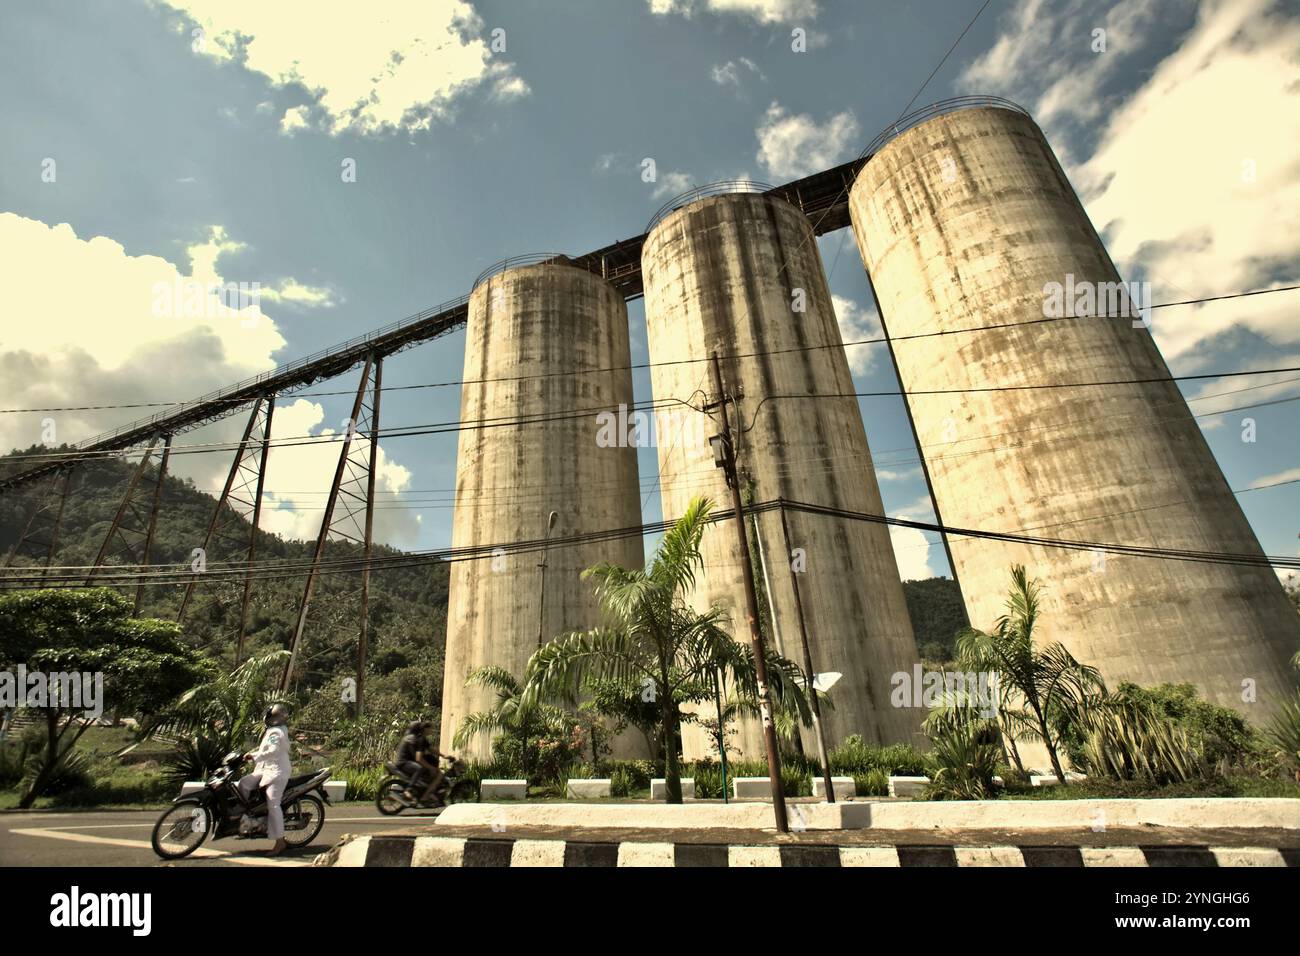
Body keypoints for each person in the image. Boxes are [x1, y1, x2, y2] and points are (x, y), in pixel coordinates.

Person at [238, 703, 292, 855]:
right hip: (266, 769)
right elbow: (265, 749)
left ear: (273, 718)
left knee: (273, 804)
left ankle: (280, 842)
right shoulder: (276, 730)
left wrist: (254, 756)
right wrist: (249, 753)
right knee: (244, 783)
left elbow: (273, 751)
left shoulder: (276, 733)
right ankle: (246, 816)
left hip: (277, 772)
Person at [394, 719, 442, 805]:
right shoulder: (411, 738)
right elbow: (416, 756)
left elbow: (430, 749)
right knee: (419, 768)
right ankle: (408, 790)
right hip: (403, 762)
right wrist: (428, 765)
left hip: (404, 761)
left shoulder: (412, 737)